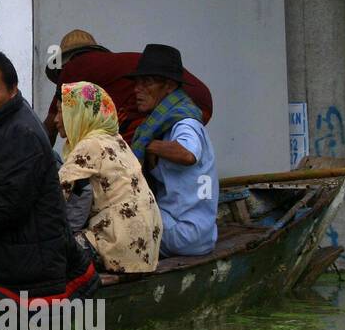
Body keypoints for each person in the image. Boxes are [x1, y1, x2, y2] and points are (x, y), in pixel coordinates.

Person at [0, 50, 96, 300]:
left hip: (25, 262)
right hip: (15, 246)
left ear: (12, 90)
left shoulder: (20, 133)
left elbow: (6, 205)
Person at [55, 82, 162, 273]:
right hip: (147, 247)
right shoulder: (116, 140)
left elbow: (55, 194)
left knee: (46, 252)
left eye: (61, 111)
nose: (56, 120)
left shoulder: (89, 145)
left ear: (79, 114)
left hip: (117, 245)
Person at [44, 29, 214, 147]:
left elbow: (50, 128)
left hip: (181, 101)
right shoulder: (106, 73)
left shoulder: (72, 70)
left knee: (119, 151)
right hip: (198, 102)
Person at [126, 44, 219, 257]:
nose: (137, 89)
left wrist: (148, 145)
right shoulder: (165, 124)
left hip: (183, 232)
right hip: (199, 233)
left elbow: (188, 154)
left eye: (146, 82)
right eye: (137, 83)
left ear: (168, 86)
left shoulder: (185, 123)